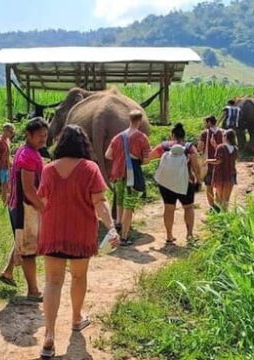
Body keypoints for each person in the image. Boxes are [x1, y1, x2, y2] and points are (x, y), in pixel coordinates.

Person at [36, 125, 119, 359]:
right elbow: (100, 203)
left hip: (53, 231)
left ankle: (49, 335)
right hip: (80, 233)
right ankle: (76, 319)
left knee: (52, 282)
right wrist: (111, 227)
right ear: (84, 144)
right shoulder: (90, 168)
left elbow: (43, 198)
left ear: (60, 143)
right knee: (78, 277)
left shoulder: (48, 169)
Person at [0, 118, 48, 302]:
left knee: (24, 241)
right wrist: (43, 208)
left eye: (45, 135)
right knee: (29, 250)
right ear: (28, 134)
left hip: (22, 206)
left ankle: (8, 272)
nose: (44, 139)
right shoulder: (27, 155)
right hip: (25, 207)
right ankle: (33, 291)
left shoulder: (28, 151)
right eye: (40, 135)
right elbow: (28, 189)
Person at [105, 110, 151, 246]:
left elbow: (108, 155)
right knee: (129, 205)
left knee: (119, 199)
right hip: (132, 175)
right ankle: (124, 237)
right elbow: (147, 160)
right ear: (140, 121)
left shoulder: (118, 137)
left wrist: (120, 157)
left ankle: (118, 223)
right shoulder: (142, 138)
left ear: (129, 120)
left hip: (117, 174)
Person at [151, 123, 200, 245]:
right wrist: (199, 180)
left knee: (169, 208)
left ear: (172, 135)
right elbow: (196, 167)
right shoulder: (189, 148)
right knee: (188, 208)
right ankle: (189, 235)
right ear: (184, 136)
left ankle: (169, 235)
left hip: (166, 183)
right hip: (185, 183)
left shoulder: (164, 146)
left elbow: (149, 157)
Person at [197, 115, 224, 211]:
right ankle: (219, 204)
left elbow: (200, 147)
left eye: (205, 122)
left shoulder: (205, 133)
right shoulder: (223, 132)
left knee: (209, 186)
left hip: (209, 163)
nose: (204, 124)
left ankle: (212, 206)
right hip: (221, 163)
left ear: (209, 122)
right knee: (219, 185)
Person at [207, 129, 238, 210]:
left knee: (219, 198)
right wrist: (215, 146)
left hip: (220, 175)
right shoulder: (235, 149)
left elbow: (218, 160)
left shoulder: (221, 147)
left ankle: (218, 217)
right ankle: (225, 216)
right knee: (226, 199)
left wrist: (207, 161)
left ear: (226, 137)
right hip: (231, 175)